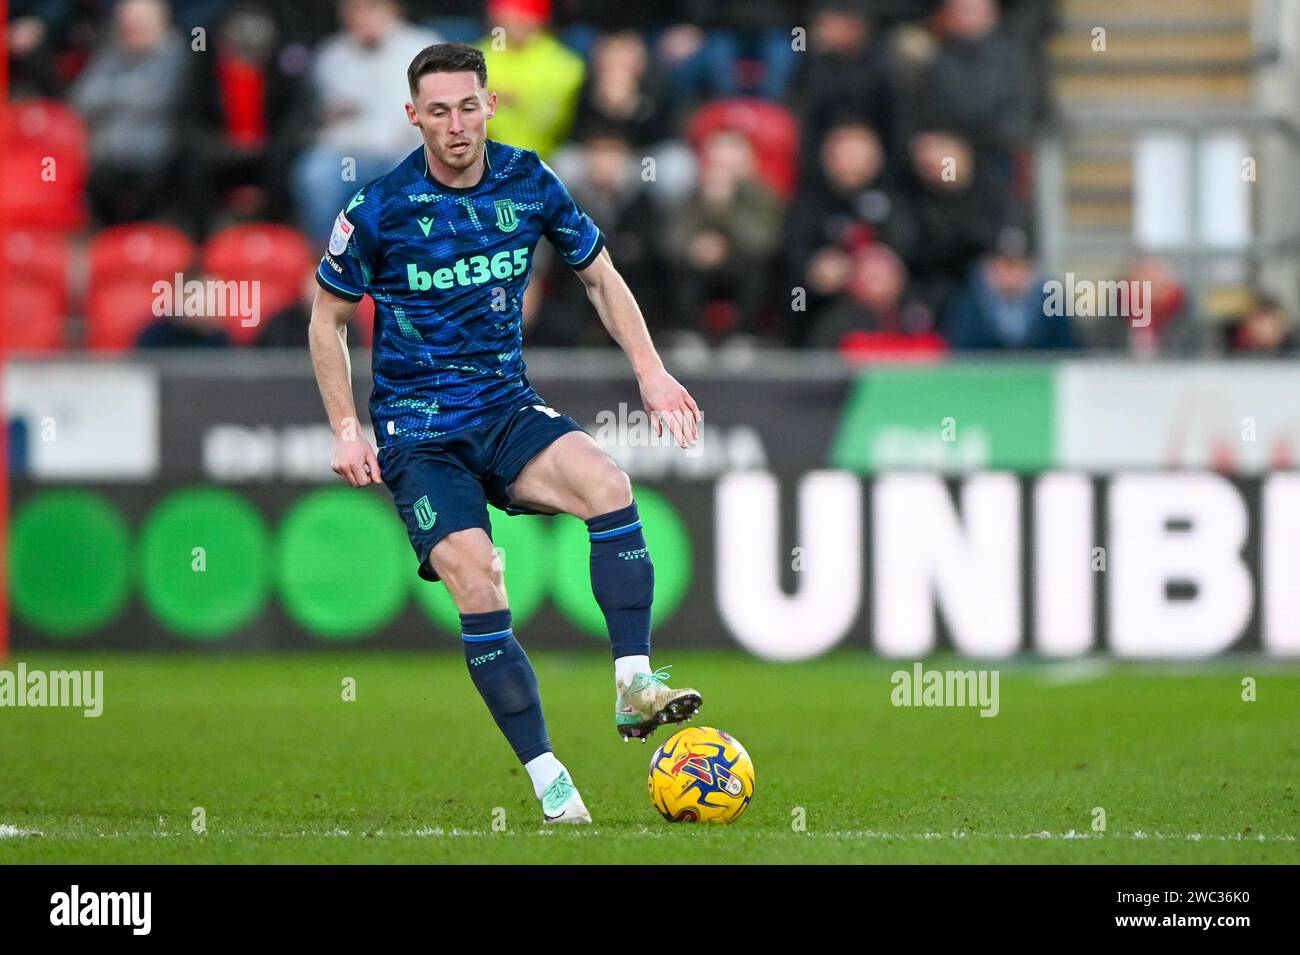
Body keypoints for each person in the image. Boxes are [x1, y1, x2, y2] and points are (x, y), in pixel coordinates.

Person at [308, 43, 703, 826]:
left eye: (468, 105)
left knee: (609, 484)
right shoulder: (378, 209)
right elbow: (326, 320)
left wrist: (652, 372)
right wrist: (348, 427)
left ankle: (633, 684)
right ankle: (550, 776)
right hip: (419, 432)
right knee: (480, 576)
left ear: (491, 105)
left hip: (504, 408)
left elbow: (598, 273)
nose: (455, 125)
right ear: (413, 116)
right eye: (438, 110)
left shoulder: (530, 181)